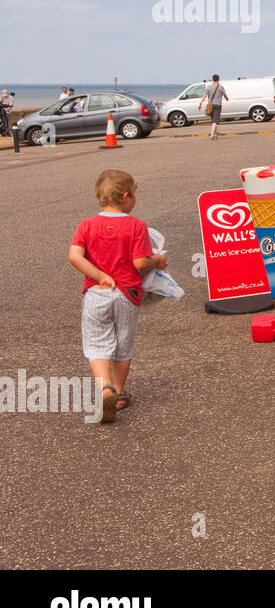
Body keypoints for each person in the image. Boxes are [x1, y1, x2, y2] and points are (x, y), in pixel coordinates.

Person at [67, 169, 168, 423]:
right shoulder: (136, 226)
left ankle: (105, 389)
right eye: (134, 194)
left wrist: (99, 275)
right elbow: (139, 262)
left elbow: (74, 256)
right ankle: (119, 393)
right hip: (127, 295)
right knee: (123, 345)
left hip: (96, 294)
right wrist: (158, 260)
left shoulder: (86, 225)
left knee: (98, 345)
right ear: (126, 196)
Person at [198, 74, 228, 139]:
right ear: (218, 79)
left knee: (214, 120)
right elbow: (225, 95)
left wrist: (201, 103)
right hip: (218, 105)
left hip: (210, 105)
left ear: (213, 79)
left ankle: (215, 134)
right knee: (215, 120)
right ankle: (212, 135)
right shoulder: (221, 87)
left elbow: (205, 95)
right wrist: (227, 99)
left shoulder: (208, 87)